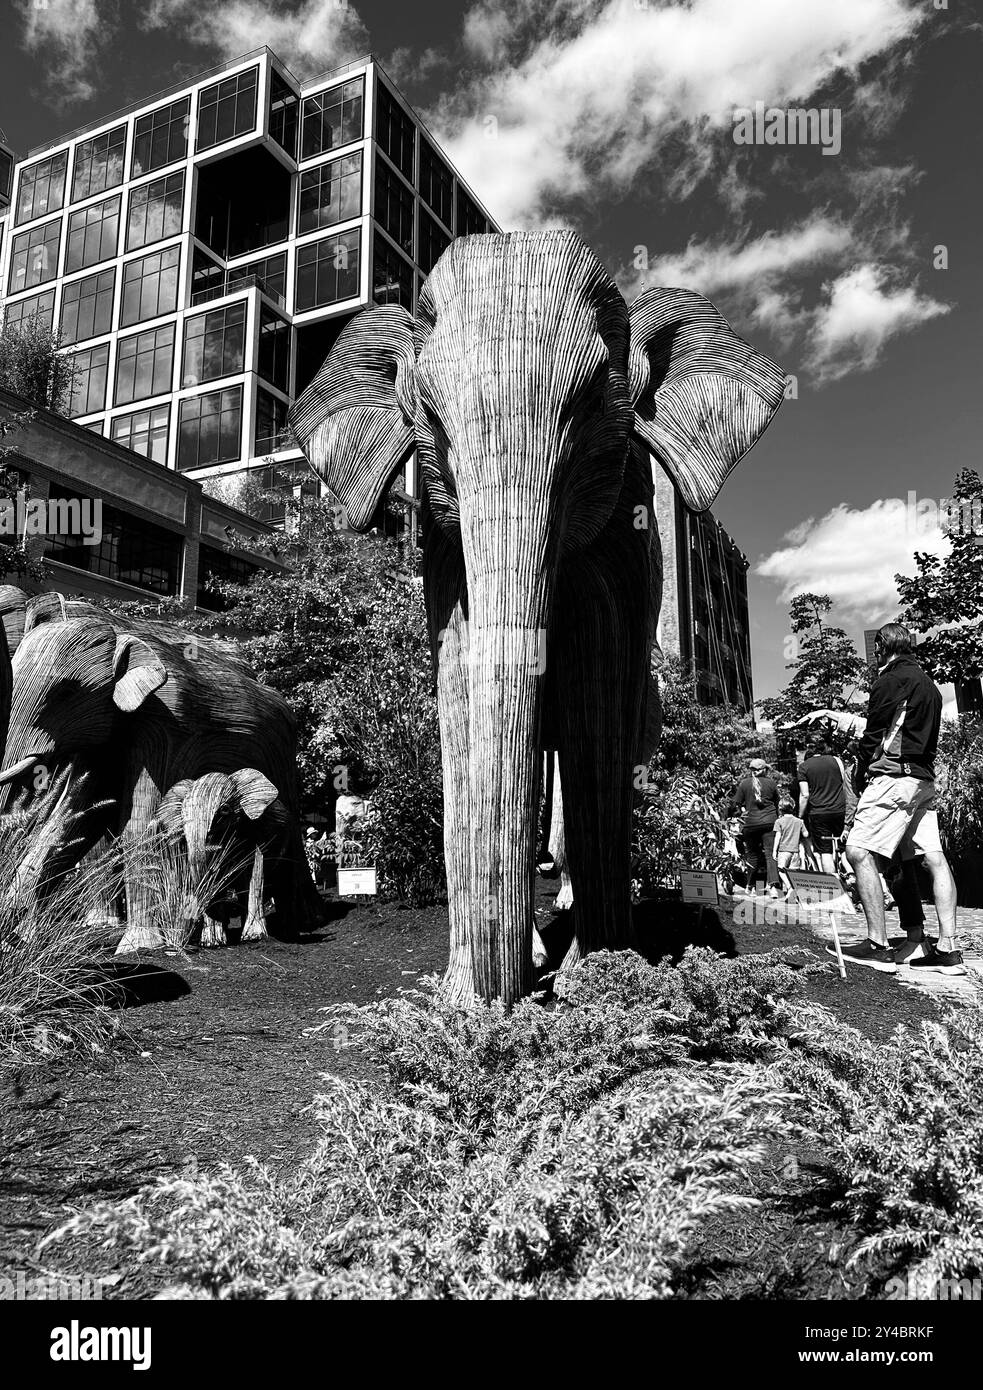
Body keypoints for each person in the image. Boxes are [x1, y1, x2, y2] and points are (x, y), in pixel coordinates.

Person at [836, 622, 966, 976]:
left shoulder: (890, 679)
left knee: (858, 851)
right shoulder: (931, 687)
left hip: (895, 777)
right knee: (933, 858)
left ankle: (877, 945)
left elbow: (874, 733)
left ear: (882, 646)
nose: (875, 654)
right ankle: (948, 950)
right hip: (923, 781)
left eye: (877, 648)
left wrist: (860, 770)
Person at [728, 757, 781, 897]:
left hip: (751, 823)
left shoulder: (744, 784)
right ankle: (774, 887)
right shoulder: (771, 783)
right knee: (771, 855)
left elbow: (735, 804)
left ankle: (750, 886)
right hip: (770, 822)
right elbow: (777, 804)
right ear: (764, 770)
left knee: (752, 855)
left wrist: (739, 813)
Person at [797, 736, 847, 875]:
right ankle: (851, 875)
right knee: (844, 846)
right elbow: (844, 784)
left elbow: (805, 794)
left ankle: (834, 883)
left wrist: (801, 815)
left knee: (825, 851)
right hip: (840, 809)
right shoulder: (836, 761)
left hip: (818, 812)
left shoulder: (804, 767)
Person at [773, 795, 808, 884]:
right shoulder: (799, 821)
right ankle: (793, 888)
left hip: (783, 850)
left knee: (781, 870)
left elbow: (778, 836)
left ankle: (789, 886)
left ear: (780, 809)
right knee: (793, 872)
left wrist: (774, 851)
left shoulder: (779, 821)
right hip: (795, 851)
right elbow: (806, 834)